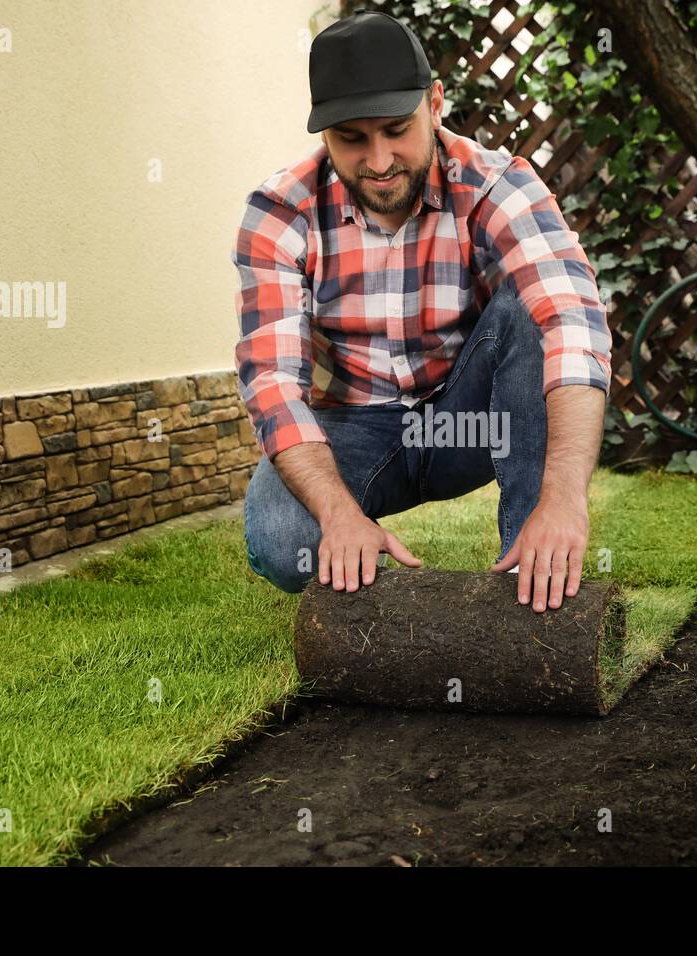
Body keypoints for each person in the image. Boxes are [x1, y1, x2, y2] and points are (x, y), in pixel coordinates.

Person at [233, 10, 611, 613]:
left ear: (435, 105)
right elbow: (274, 383)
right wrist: (337, 513)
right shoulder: (281, 212)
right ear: (324, 134)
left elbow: (574, 322)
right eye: (351, 138)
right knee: (283, 543)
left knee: (532, 309)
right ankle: (364, 565)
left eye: (396, 129)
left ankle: (535, 567)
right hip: (353, 428)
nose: (379, 161)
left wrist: (563, 499)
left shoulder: (497, 185)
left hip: (471, 420)